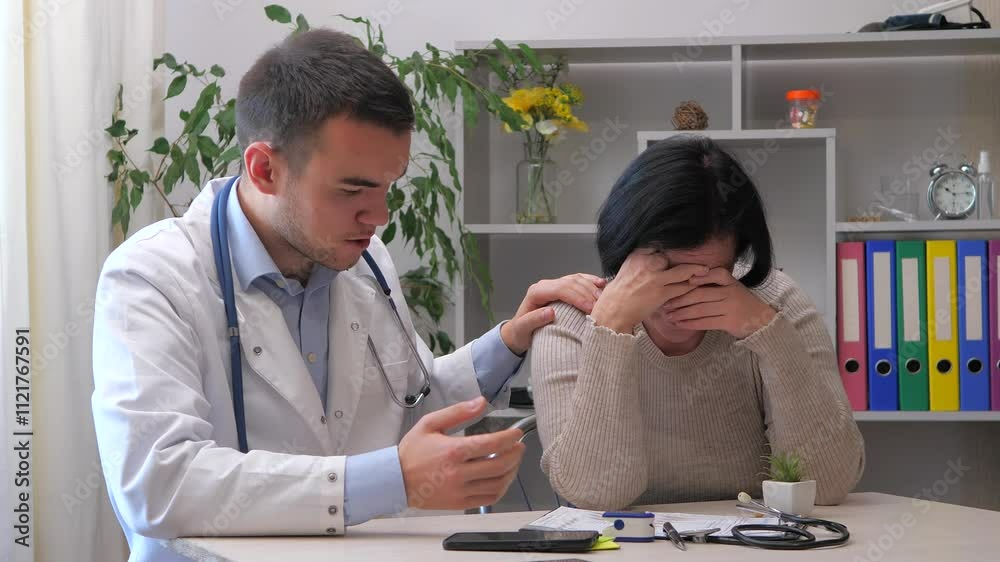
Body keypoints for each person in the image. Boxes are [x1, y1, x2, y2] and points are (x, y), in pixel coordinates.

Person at [91, 29, 604, 562]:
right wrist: (390, 479)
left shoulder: (364, 259)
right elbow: (157, 483)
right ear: (265, 169)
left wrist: (510, 342)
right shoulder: (151, 276)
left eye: (388, 187)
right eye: (352, 191)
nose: (378, 217)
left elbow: (411, 403)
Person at [531, 135, 864, 511]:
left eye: (707, 278)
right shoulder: (570, 321)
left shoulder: (775, 304)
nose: (681, 296)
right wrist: (611, 328)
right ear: (624, 253)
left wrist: (768, 335)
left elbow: (828, 484)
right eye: (665, 272)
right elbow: (596, 494)